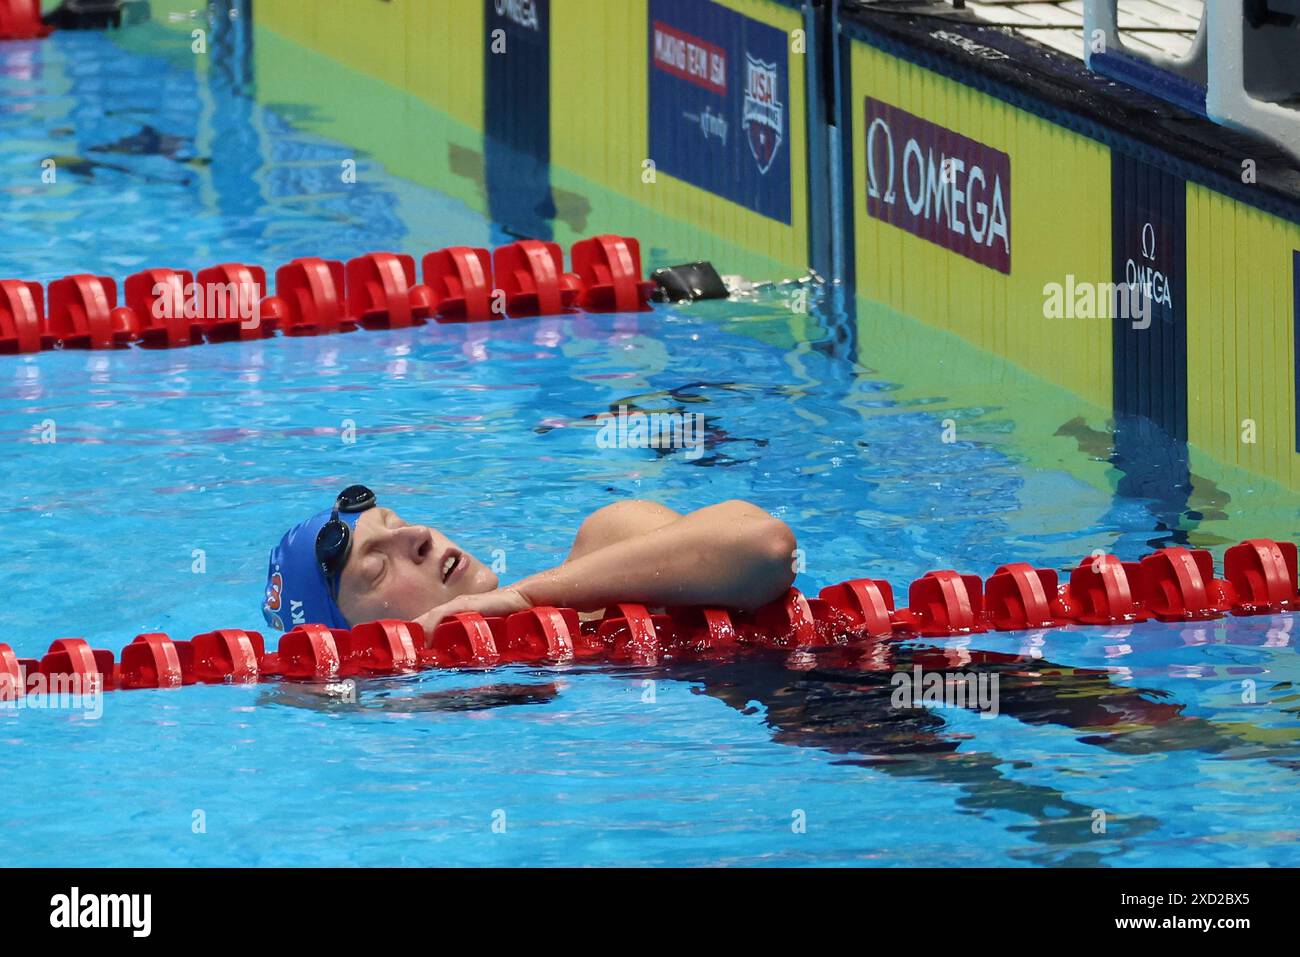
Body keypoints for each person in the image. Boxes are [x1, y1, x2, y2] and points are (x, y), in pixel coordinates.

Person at [262, 485, 797, 643]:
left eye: (399, 522)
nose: (419, 537)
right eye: (376, 570)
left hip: (853, 710)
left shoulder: (607, 543)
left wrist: (526, 598)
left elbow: (767, 548)